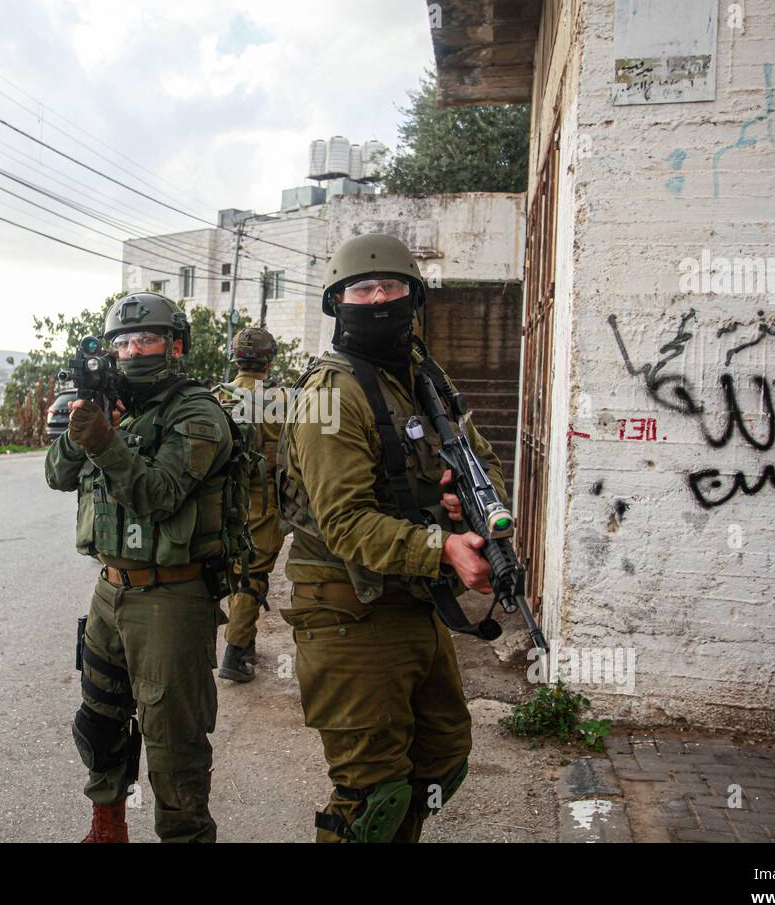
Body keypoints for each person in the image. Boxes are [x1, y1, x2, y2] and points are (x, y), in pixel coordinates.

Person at [276, 233, 509, 842]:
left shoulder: (422, 379)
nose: (379, 298)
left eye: (392, 287)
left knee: (440, 762)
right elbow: (347, 521)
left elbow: (479, 464)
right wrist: (443, 547)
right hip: (347, 605)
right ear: (338, 303)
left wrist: (470, 512)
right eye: (363, 289)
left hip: (411, 598)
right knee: (372, 794)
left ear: (413, 297)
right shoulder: (333, 396)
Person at [45, 292, 234, 843]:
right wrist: (86, 418)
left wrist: (103, 438)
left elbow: (159, 495)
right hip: (110, 589)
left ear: (174, 346)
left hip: (172, 598)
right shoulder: (113, 403)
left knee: (174, 748)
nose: (131, 352)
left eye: (144, 339)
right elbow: (57, 476)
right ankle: (108, 828)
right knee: (101, 720)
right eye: (121, 343)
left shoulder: (197, 413)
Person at [216, 326, 286, 682]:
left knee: (234, 569)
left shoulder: (217, 396)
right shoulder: (280, 401)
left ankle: (245, 645)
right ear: (268, 360)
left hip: (223, 498)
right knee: (253, 575)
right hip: (260, 498)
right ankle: (234, 650)